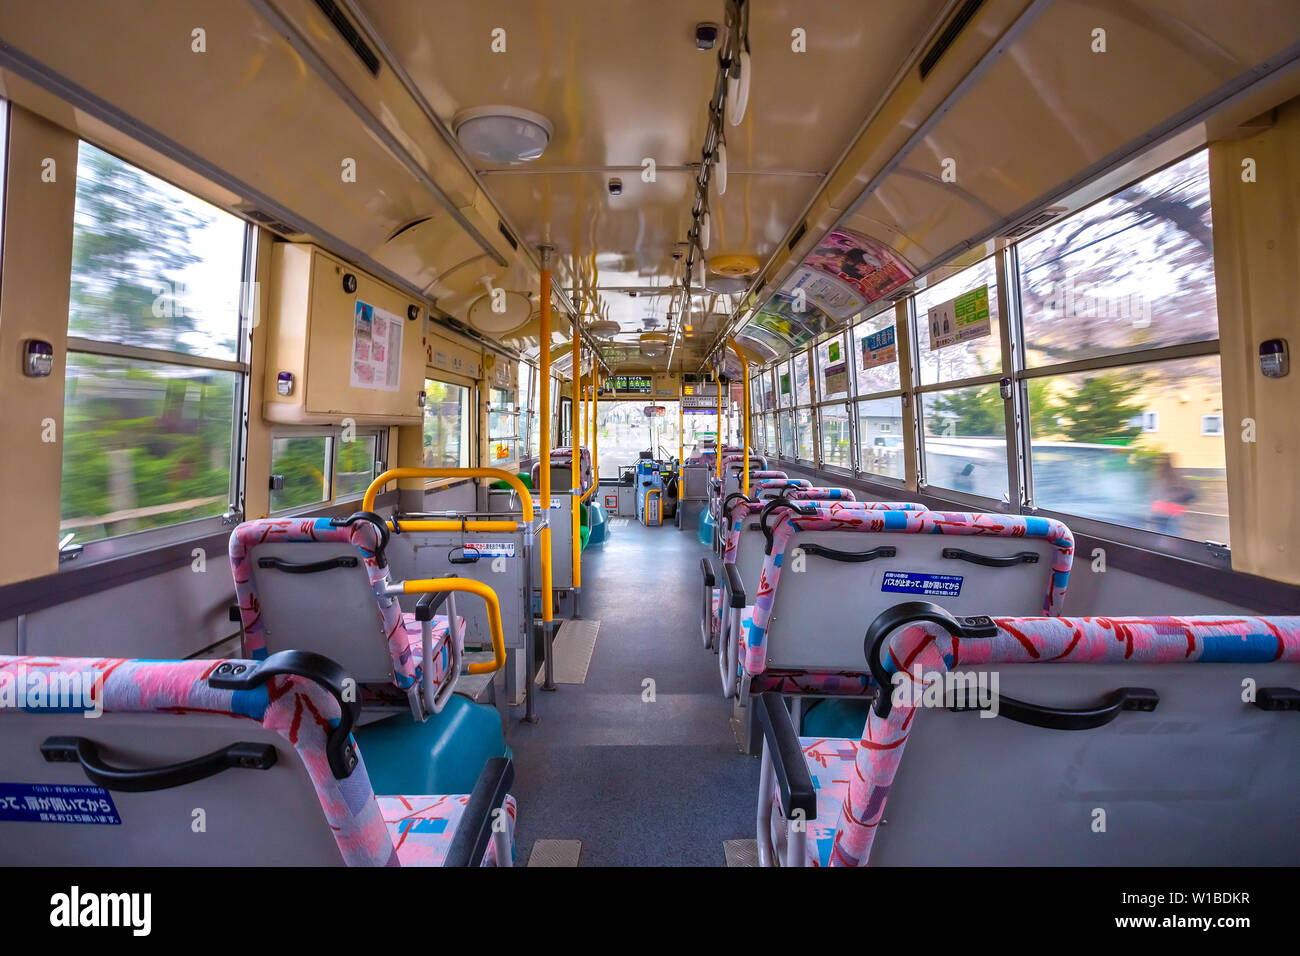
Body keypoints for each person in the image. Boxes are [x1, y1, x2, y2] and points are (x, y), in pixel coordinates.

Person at [1149, 454, 1195, 535]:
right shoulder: (1166, 475)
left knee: (1169, 535)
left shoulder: (1168, 475)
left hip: (1167, 512)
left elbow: (1155, 494)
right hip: (1166, 512)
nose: (1160, 464)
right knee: (1170, 535)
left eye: (1162, 461)